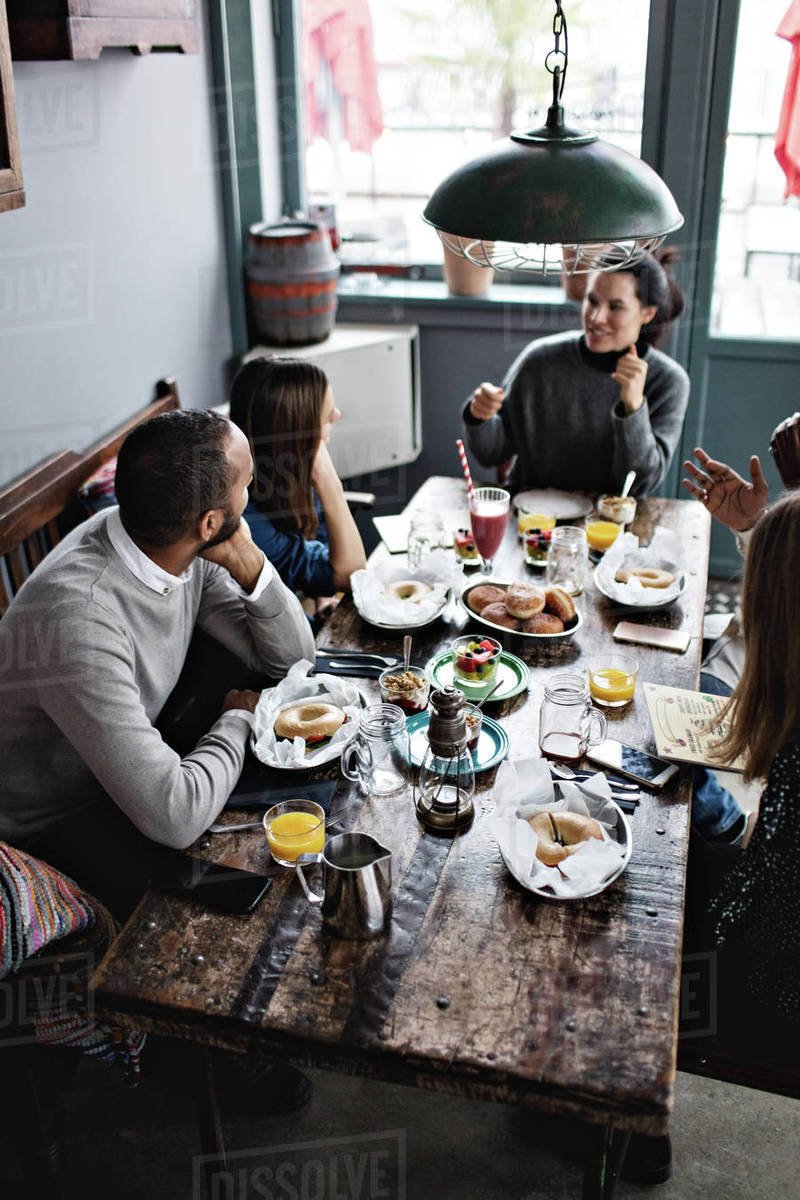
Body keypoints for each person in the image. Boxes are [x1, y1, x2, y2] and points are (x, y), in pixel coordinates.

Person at [0, 409, 315, 919]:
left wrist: (252, 566)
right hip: (53, 827)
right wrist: (236, 719)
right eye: (247, 485)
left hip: (126, 769)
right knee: (260, 897)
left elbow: (293, 659)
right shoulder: (79, 620)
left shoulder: (168, 542)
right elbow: (175, 816)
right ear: (210, 523)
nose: (251, 494)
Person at [685, 489, 800, 1038]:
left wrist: (734, 833)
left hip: (762, 981)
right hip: (767, 898)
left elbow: (762, 889)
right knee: (697, 694)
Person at [462, 249, 689, 497]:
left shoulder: (668, 381)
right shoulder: (539, 359)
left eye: (615, 307)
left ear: (647, 314)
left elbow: (639, 483)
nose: (596, 317)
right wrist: (479, 416)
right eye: (592, 301)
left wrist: (633, 408)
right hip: (531, 522)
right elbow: (492, 452)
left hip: (608, 529)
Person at [681, 414, 800, 843]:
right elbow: (775, 607)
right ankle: (723, 824)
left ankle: (726, 831)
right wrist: (754, 527)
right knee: (678, 705)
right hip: (757, 646)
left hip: (778, 660)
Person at [228, 357, 366, 616]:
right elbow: (350, 575)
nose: (337, 415)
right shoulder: (246, 520)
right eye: (326, 415)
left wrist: (320, 593)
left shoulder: (286, 472)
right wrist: (329, 483)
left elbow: (321, 548)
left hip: (304, 606)